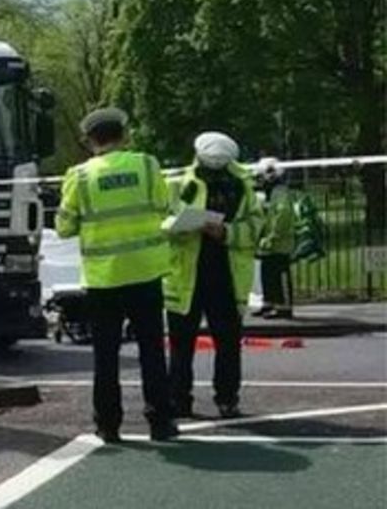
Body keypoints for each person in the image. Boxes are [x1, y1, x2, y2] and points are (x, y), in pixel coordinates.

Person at [56, 107, 178, 443]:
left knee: (106, 355)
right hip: (145, 272)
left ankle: (108, 425)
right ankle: (161, 422)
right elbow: (163, 206)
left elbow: (64, 226)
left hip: (104, 279)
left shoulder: (79, 177)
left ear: (89, 141)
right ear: (123, 136)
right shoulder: (146, 165)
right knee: (152, 350)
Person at [165, 132, 262, 419]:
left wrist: (227, 232)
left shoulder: (243, 185)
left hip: (226, 274)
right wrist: (178, 227)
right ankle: (179, 399)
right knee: (181, 343)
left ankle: (227, 398)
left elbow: (256, 226)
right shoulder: (175, 182)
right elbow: (158, 221)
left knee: (228, 342)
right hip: (186, 274)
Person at [253, 158, 295, 319]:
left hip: (280, 243)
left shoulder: (281, 193)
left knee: (281, 273)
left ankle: (284, 306)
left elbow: (282, 217)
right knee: (267, 273)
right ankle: (268, 302)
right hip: (267, 243)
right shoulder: (270, 194)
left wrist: (272, 236)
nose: (260, 180)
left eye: (261, 176)